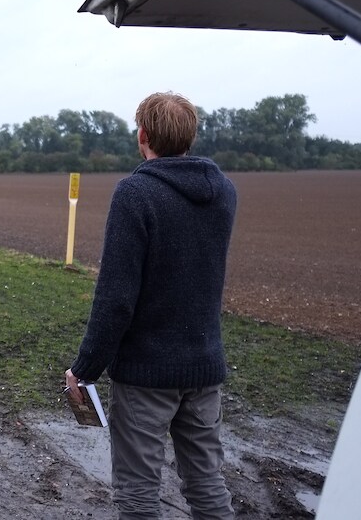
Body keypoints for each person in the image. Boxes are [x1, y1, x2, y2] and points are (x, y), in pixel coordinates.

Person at [64, 91, 238, 519]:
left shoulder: (136, 193)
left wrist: (85, 369)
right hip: (204, 366)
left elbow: (116, 299)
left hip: (147, 374)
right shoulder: (224, 192)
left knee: (137, 491)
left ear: (142, 135)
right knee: (206, 482)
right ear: (190, 137)